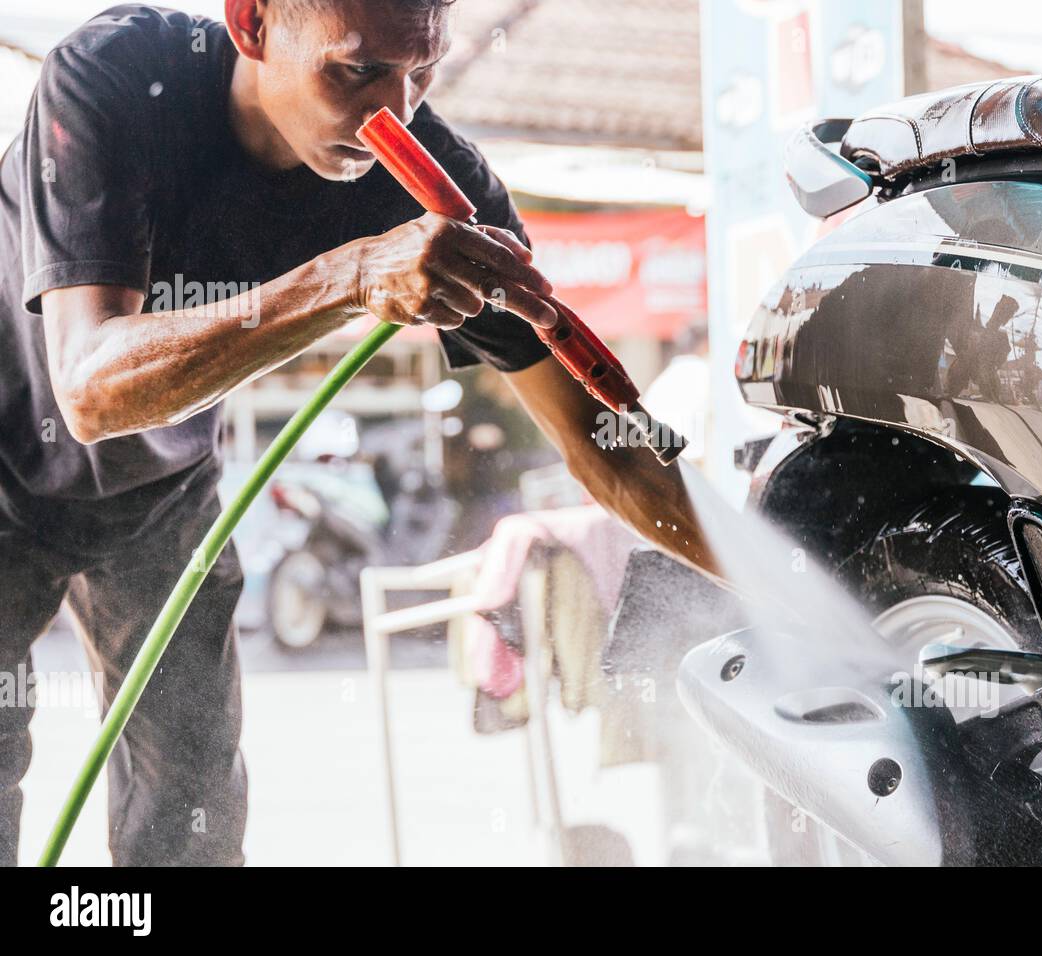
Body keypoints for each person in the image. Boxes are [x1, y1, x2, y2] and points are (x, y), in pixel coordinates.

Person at [0, 0, 715, 866]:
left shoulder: (435, 186)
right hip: (8, 462)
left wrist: (784, 582)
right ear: (253, 24)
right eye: (357, 72)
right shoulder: (114, 78)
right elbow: (91, 391)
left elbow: (602, 446)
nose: (395, 114)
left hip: (160, 492)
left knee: (190, 803)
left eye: (422, 72)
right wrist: (347, 277)